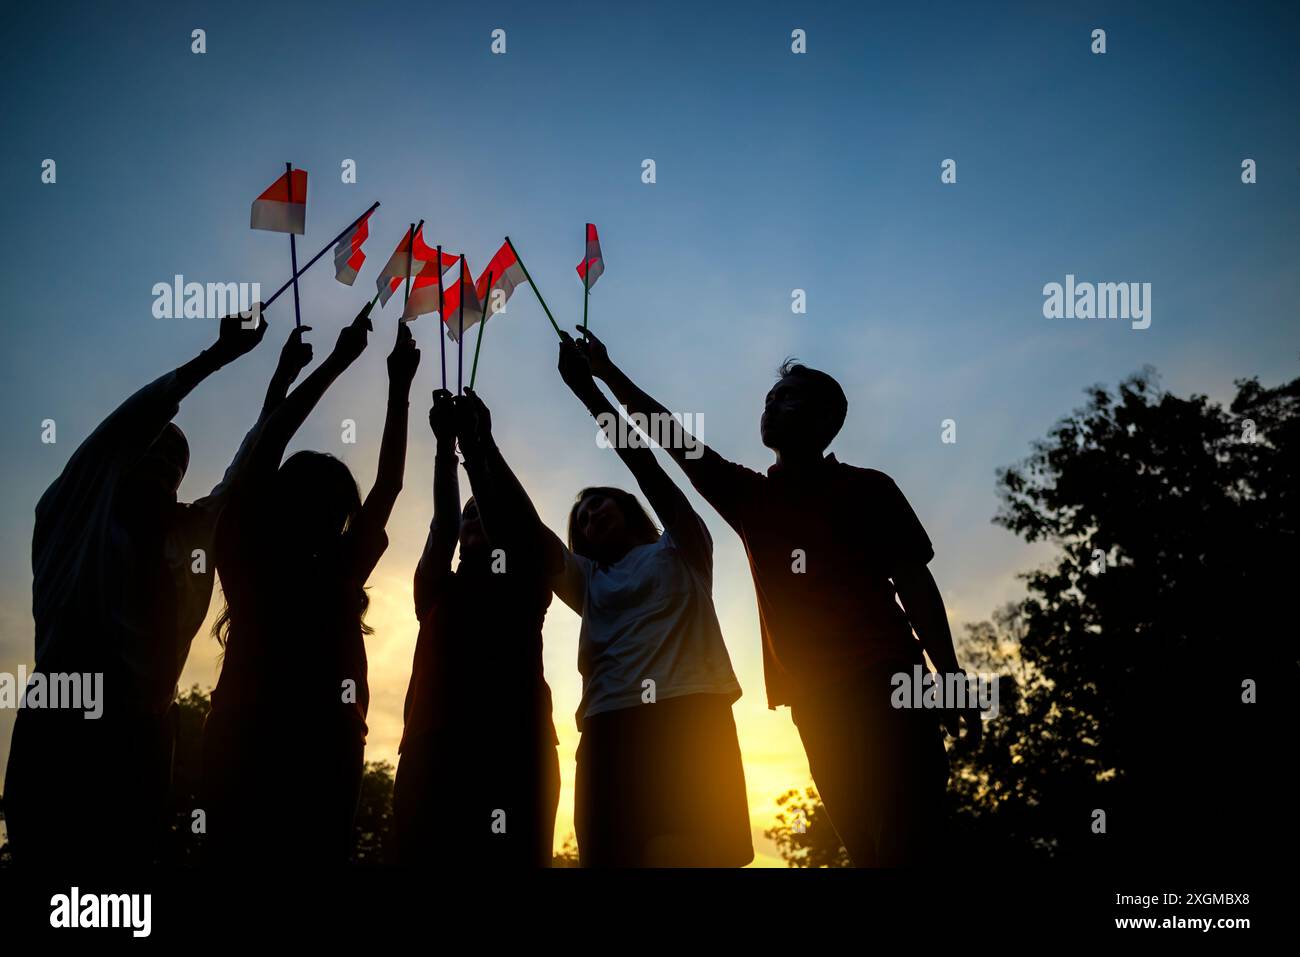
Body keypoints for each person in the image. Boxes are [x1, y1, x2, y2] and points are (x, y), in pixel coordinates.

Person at [568, 327, 982, 866]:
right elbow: (672, 438)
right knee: (865, 846)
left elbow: (915, 584)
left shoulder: (868, 487)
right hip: (814, 700)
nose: (771, 404)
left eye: (787, 397)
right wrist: (606, 375)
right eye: (769, 397)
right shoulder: (751, 498)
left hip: (892, 682)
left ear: (824, 420)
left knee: (911, 834)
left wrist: (947, 675)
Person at [3, 307, 280, 865]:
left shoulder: (187, 536)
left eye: (176, 460)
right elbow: (119, 432)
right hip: (64, 720)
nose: (165, 463)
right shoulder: (74, 514)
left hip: (143, 735)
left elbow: (248, 466)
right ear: (122, 460)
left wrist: (285, 377)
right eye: (152, 450)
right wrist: (217, 357)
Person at [201, 303, 417, 865]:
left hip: (298, 742)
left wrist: (373, 376)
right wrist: (368, 375)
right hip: (281, 741)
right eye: (315, 498)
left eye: (335, 505)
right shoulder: (260, 553)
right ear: (282, 502)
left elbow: (387, 484)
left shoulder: (270, 558)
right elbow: (267, 450)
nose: (328, 514)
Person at [552, 333, 752, 867]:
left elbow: (646, 465)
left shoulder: (683, 548)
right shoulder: (585, 580)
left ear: (631, 510)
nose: (591, 516)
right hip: (606, 726)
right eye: (583, 518)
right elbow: (529, 538)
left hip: (690, 715)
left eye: (600, 505)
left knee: (689, 854)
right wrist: (474, 446)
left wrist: (591, 393)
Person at [393, 388, 559, 867]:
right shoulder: (436, 589)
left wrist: (478, 444)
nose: (475, 517)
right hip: (429, 746)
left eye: (482, 511)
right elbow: (444, 521)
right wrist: (446, 446)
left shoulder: (526, 576)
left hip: (514, 746)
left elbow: (516, 526)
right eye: (471, 515)